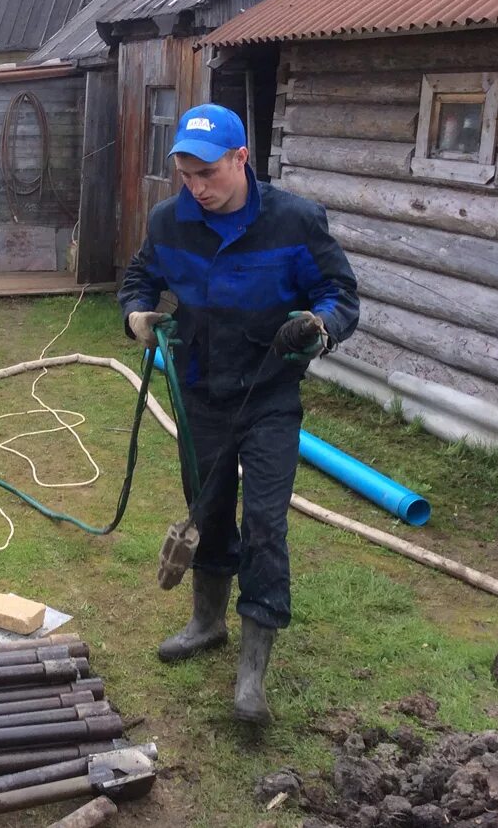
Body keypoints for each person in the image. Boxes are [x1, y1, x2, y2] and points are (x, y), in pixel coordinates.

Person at [118, 103, 359, 725]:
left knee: (265, 522)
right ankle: (206, 622)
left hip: (271, 392)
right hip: (201, 388)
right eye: (185, 174)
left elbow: (339, 294)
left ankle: (252, 674)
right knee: (206, 508)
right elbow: (141, 277)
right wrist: (137, 315)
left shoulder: (295, 221)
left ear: (241, 158)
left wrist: (320, 327)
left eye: (207, 173)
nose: (196, 187)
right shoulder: (171, 222)